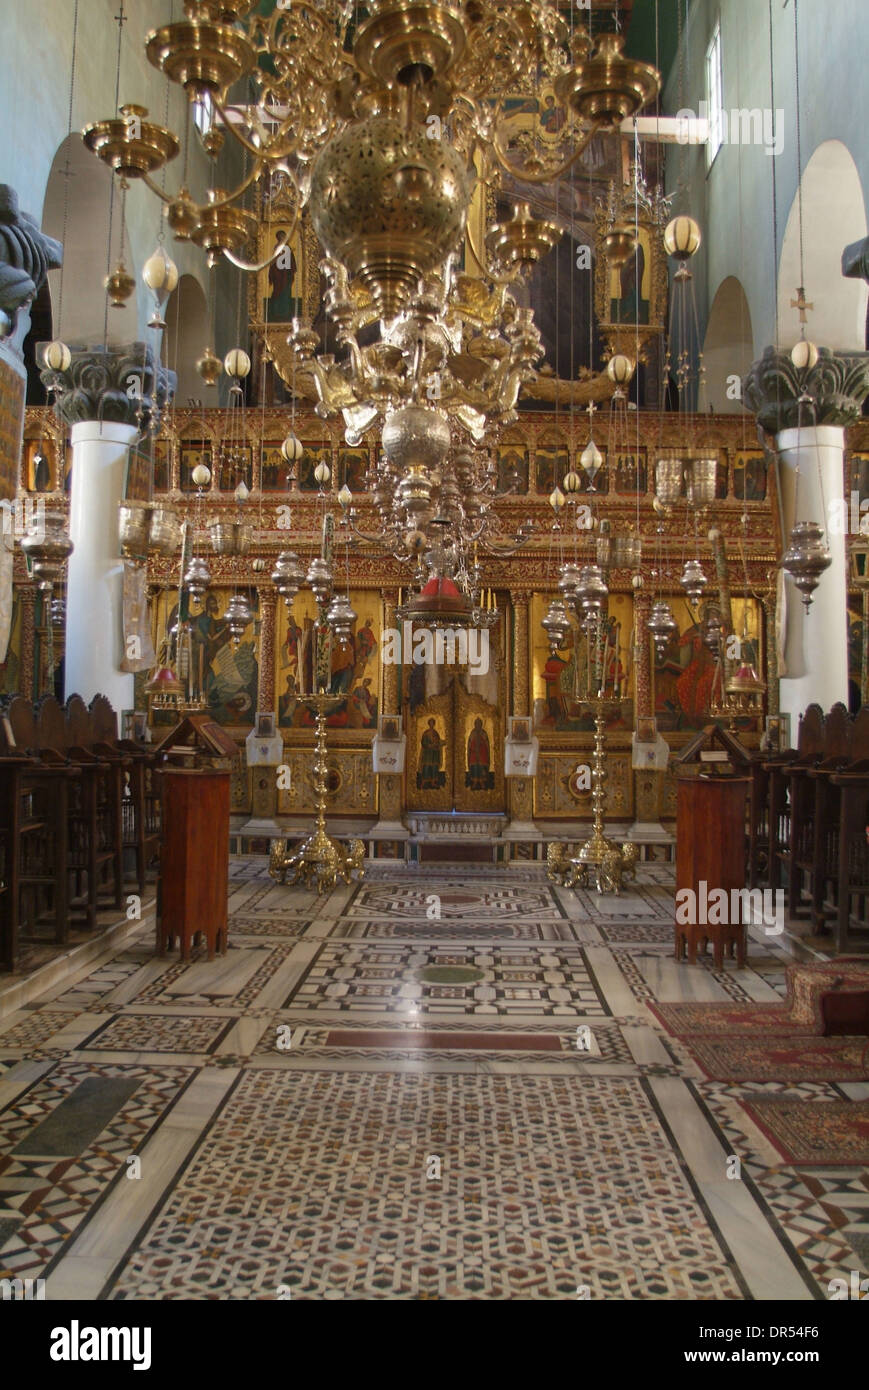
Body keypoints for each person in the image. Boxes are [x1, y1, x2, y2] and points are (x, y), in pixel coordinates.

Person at [418, 717, 445, 790]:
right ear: (429, 724)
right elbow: (423, 743)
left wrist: (440, 743)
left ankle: (433, 782)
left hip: (435, 753)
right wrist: (429, 745)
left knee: (434, 768)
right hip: (427, 754)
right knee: (426, 767)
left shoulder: (436, 733)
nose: (432, 724)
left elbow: (438, 741)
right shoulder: (426, 733)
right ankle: (423, 782)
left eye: (433, 723)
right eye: (431, 723)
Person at [466, 716, 492, 791]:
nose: (478, 725)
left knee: (481, 765)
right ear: (474, 724)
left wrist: (481, 747)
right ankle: (474, 781)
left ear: (481, 724)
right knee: (474, 765)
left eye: (479, 724)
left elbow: (486, 744)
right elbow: (469, 744)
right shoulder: (472, 733)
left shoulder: (484, 733)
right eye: (476, 723)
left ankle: (481, 781)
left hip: (482, 752)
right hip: (474, 752)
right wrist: (473, 749)